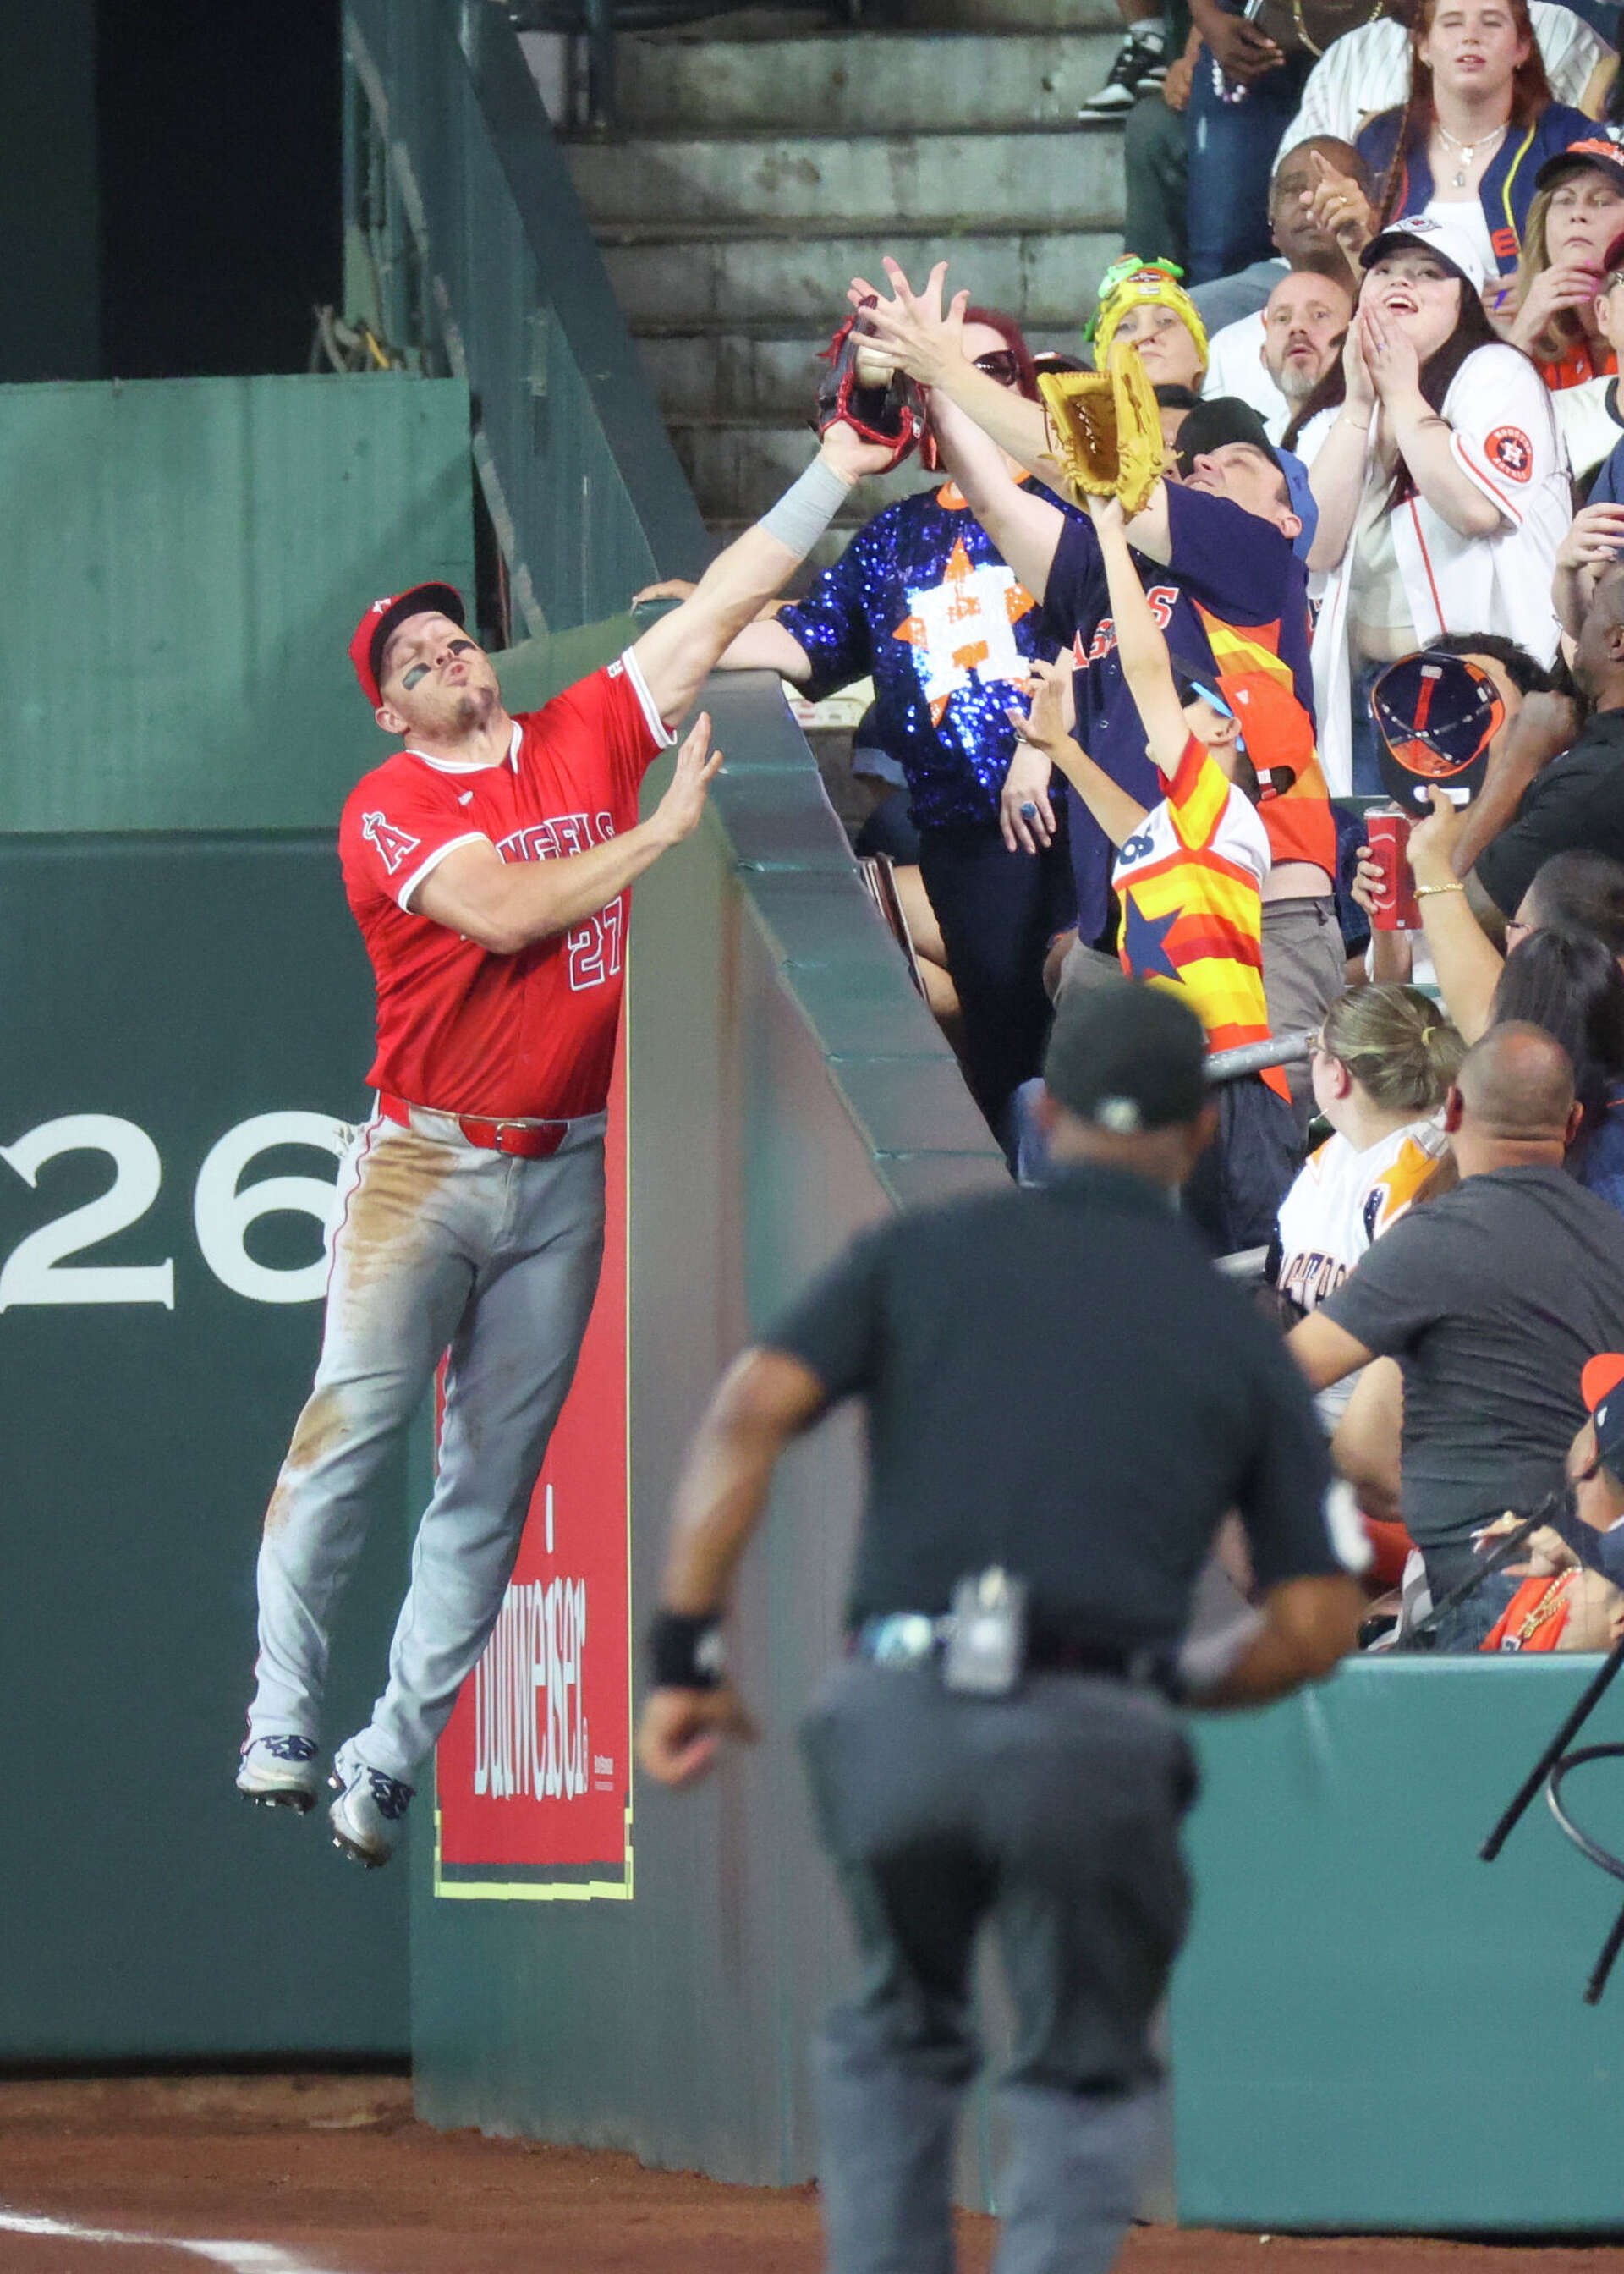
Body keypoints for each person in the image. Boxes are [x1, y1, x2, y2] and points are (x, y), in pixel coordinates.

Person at [233, 414, 904, 1863]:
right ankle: (282, 1712)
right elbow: (508, 913)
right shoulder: (388, 806)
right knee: (347, 1441)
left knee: (490, 1485)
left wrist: (839, 466)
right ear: (389, 713)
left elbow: (723, 602)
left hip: (560, 1161)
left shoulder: (584, 728)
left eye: (453, 641)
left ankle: (385, 1758)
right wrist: (658, 842)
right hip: (425, 1160)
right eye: (411, 666)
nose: (446, 663)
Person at [636, 982, 1363, 2274]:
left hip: (898, 1710)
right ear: (1200, 1133)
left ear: (1049, 1113)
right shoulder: (1233, 1332)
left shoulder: (926, 1253)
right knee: (1083, 2076)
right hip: (1094, 1731)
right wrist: (1168, 1686)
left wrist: (684, 1656)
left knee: (898, 2041)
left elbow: (749, 1412)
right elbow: (1314, 1623)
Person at [851, 261, 1346, 1107]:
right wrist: (928, 396)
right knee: (1114, 1190)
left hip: (1253, 913)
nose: (1201, 472)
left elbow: (1099, 475)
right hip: (1120, 925)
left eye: (1233, 460)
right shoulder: (1112, 575)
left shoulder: (1258, 559)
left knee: (1253, 1167)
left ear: (1289, 510)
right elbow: (1006, 505)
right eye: (1187, 465)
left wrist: (950, 369)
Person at [689, 310, 1078, 1146]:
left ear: (1027, 389)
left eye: (994, 372)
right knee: (1007, 1052)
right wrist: (693, 627)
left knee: (1088, 1040)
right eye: (941, 377)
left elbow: (1114, 632)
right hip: (964, 839)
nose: (971, 392)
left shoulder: (1071, 507)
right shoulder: (894, 536)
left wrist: (1044, 746)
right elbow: (804, 640)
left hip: (1082, 819)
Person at [1011, 494, 1301, 1249]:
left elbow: (1143, 667)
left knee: (1250, 1287)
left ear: (1225, 728)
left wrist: (1109, 535)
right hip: (1192, 1081)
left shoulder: (1218, 804)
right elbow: (1126, 829)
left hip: (1234, 1082)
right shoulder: (1177, 830)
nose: (1154, 716)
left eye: (1181, 708)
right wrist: (1063, 750)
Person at [1290, 1022, 1624, 1648]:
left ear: (1452, 1109)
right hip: (1603, 1583)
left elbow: (1276, 1375)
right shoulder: (1616, 1238)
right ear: (1574, 1123)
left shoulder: (1431, 1241)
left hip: (1497, 1598)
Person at [1298, 213, 1566, 794]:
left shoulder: (1497, 374)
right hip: (1370, 695)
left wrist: (1401, 395)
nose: (1401, 283)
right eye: (1386, 271)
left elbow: (1475, 511)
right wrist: (1359, 406)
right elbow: (1316, 548)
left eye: (1427, 274)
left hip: (1479, 694)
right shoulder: (1345, 403)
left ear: (1462, 302)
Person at [1274, 985, 1462, 1351]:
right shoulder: (1332, 1155)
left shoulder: (1420, 1170)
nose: (1311, 1059)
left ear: (1338, 1076)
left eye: (1317, 1050)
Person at [1479, 555, 1624, 914]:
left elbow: (1466, 914)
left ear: (1617, 641)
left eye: (1589, 612)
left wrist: (1521, 758)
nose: (1574, 629)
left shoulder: (1596, 782)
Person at [1276, 0, 1605, 156]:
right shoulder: (1349, 51)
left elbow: (1579, 177)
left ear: (1522, 48)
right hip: (1336, 270)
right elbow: (1291, 183)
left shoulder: (1551, 28)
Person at [1190, 135, 1374, 335]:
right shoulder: (1226, 339)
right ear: (1272, 219)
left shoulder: (1404, 305)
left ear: (1375, 209)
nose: (1309, 199)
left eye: (1329, 186)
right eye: (1294, 189)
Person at [1499, 139, 1624, 380]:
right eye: (1565, 201)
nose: (1577, 214)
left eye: (1601, 201)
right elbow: (1487, 415)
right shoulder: (1524, 324)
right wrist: (1524, 330)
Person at [1204, 265, 1355, 441]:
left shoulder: (1384, 430)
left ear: (1355, 338)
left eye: (1319, 315)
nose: (1297, 326)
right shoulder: (1257, 449)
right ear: (1264, 356)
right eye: (1282, 318)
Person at [1087, 257, 1210, 394]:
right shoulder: (1066, 416)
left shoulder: (1230, 415)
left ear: (1199, 356)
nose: (1145, 334)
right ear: (1104, 364)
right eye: (1126, 326)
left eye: (1165, 321)